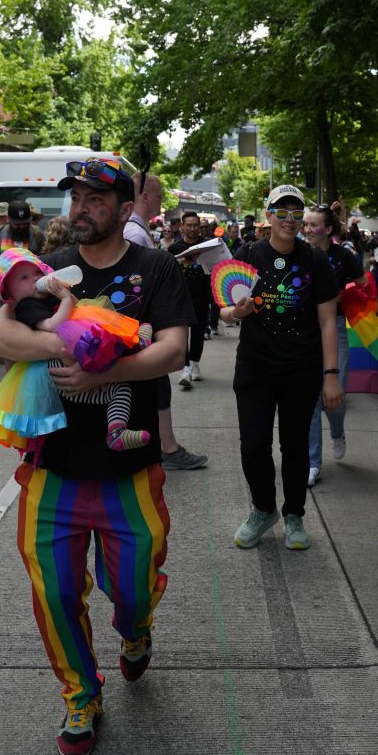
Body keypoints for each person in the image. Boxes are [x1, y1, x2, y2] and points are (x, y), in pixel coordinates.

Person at [0, 156, 194, 755]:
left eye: (97, 198)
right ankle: (82, 696)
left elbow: (174, 351)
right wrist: (66, 343)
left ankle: (135, 633)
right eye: (76, 196)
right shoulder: (48, 271)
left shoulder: (155, 268)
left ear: (125, 209)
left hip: (128, 467)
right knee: (54, 593)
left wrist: (108, 365)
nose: (82, 207)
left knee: (130, 590)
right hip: (52, 466)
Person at [220, 184, 343, 552]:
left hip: (301, 369)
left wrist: (332, 376)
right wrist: (235, 312)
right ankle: (263, 509)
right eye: (281, 212)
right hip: (255, 368)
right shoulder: (248, 254)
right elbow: (225, 310)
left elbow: (327, 322)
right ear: (268, 215)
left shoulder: (314, 260)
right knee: (254, 447)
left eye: (296, 213)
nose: (289, 220)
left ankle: (294, 515)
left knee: (294, 447)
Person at [0, 247, 153, 452]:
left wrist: (66, 296)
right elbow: (53, 325)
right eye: (24, 278)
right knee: (98, 345)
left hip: (71, 360)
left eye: (37, 272)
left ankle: (116, 429)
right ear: (9, 294)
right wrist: (64, 300)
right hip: (60, 370)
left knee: (118, 385)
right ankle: (134, 346)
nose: (34, 279)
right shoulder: (26, 306)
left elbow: (80, 308)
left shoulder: (46, 297)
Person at [124, 174, 207, 470]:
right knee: (154, 384)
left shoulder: (136, 230)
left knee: (156, 386)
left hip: (142, 325)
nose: (162, 202)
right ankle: (164, 449)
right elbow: (136, 283)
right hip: (140, 326)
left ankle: (162, 447)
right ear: (145, 196)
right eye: (159, 196)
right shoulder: (134, 233)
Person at [304, 206, 366, 483]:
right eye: (305, 225)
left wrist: (337, 296)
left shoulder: (344, 256)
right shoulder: (300, 255)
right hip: (306, 329)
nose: (306, 229)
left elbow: (362, 286)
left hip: (337, 327)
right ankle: (313, 462)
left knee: (335, 396)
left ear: (328, 229)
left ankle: (337, 431)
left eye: (313, 225)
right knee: (312, 400)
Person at [168, 211, 210, 388]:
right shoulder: (174, 249)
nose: (193, 229)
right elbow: (168, 273)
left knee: (199, 331)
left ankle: (195, 365)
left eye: (196, 225)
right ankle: (184, 368)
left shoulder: (207, 245)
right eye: (189, 225)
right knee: (183, 332)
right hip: (181, 297)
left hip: (202, 294)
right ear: (182, 226)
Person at [0, 200, 45, 275]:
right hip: (2, 284)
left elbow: (48, 257)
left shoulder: (37, 234)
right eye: (17, 224)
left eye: (25, 224)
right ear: (8, 219)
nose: (21, 227)